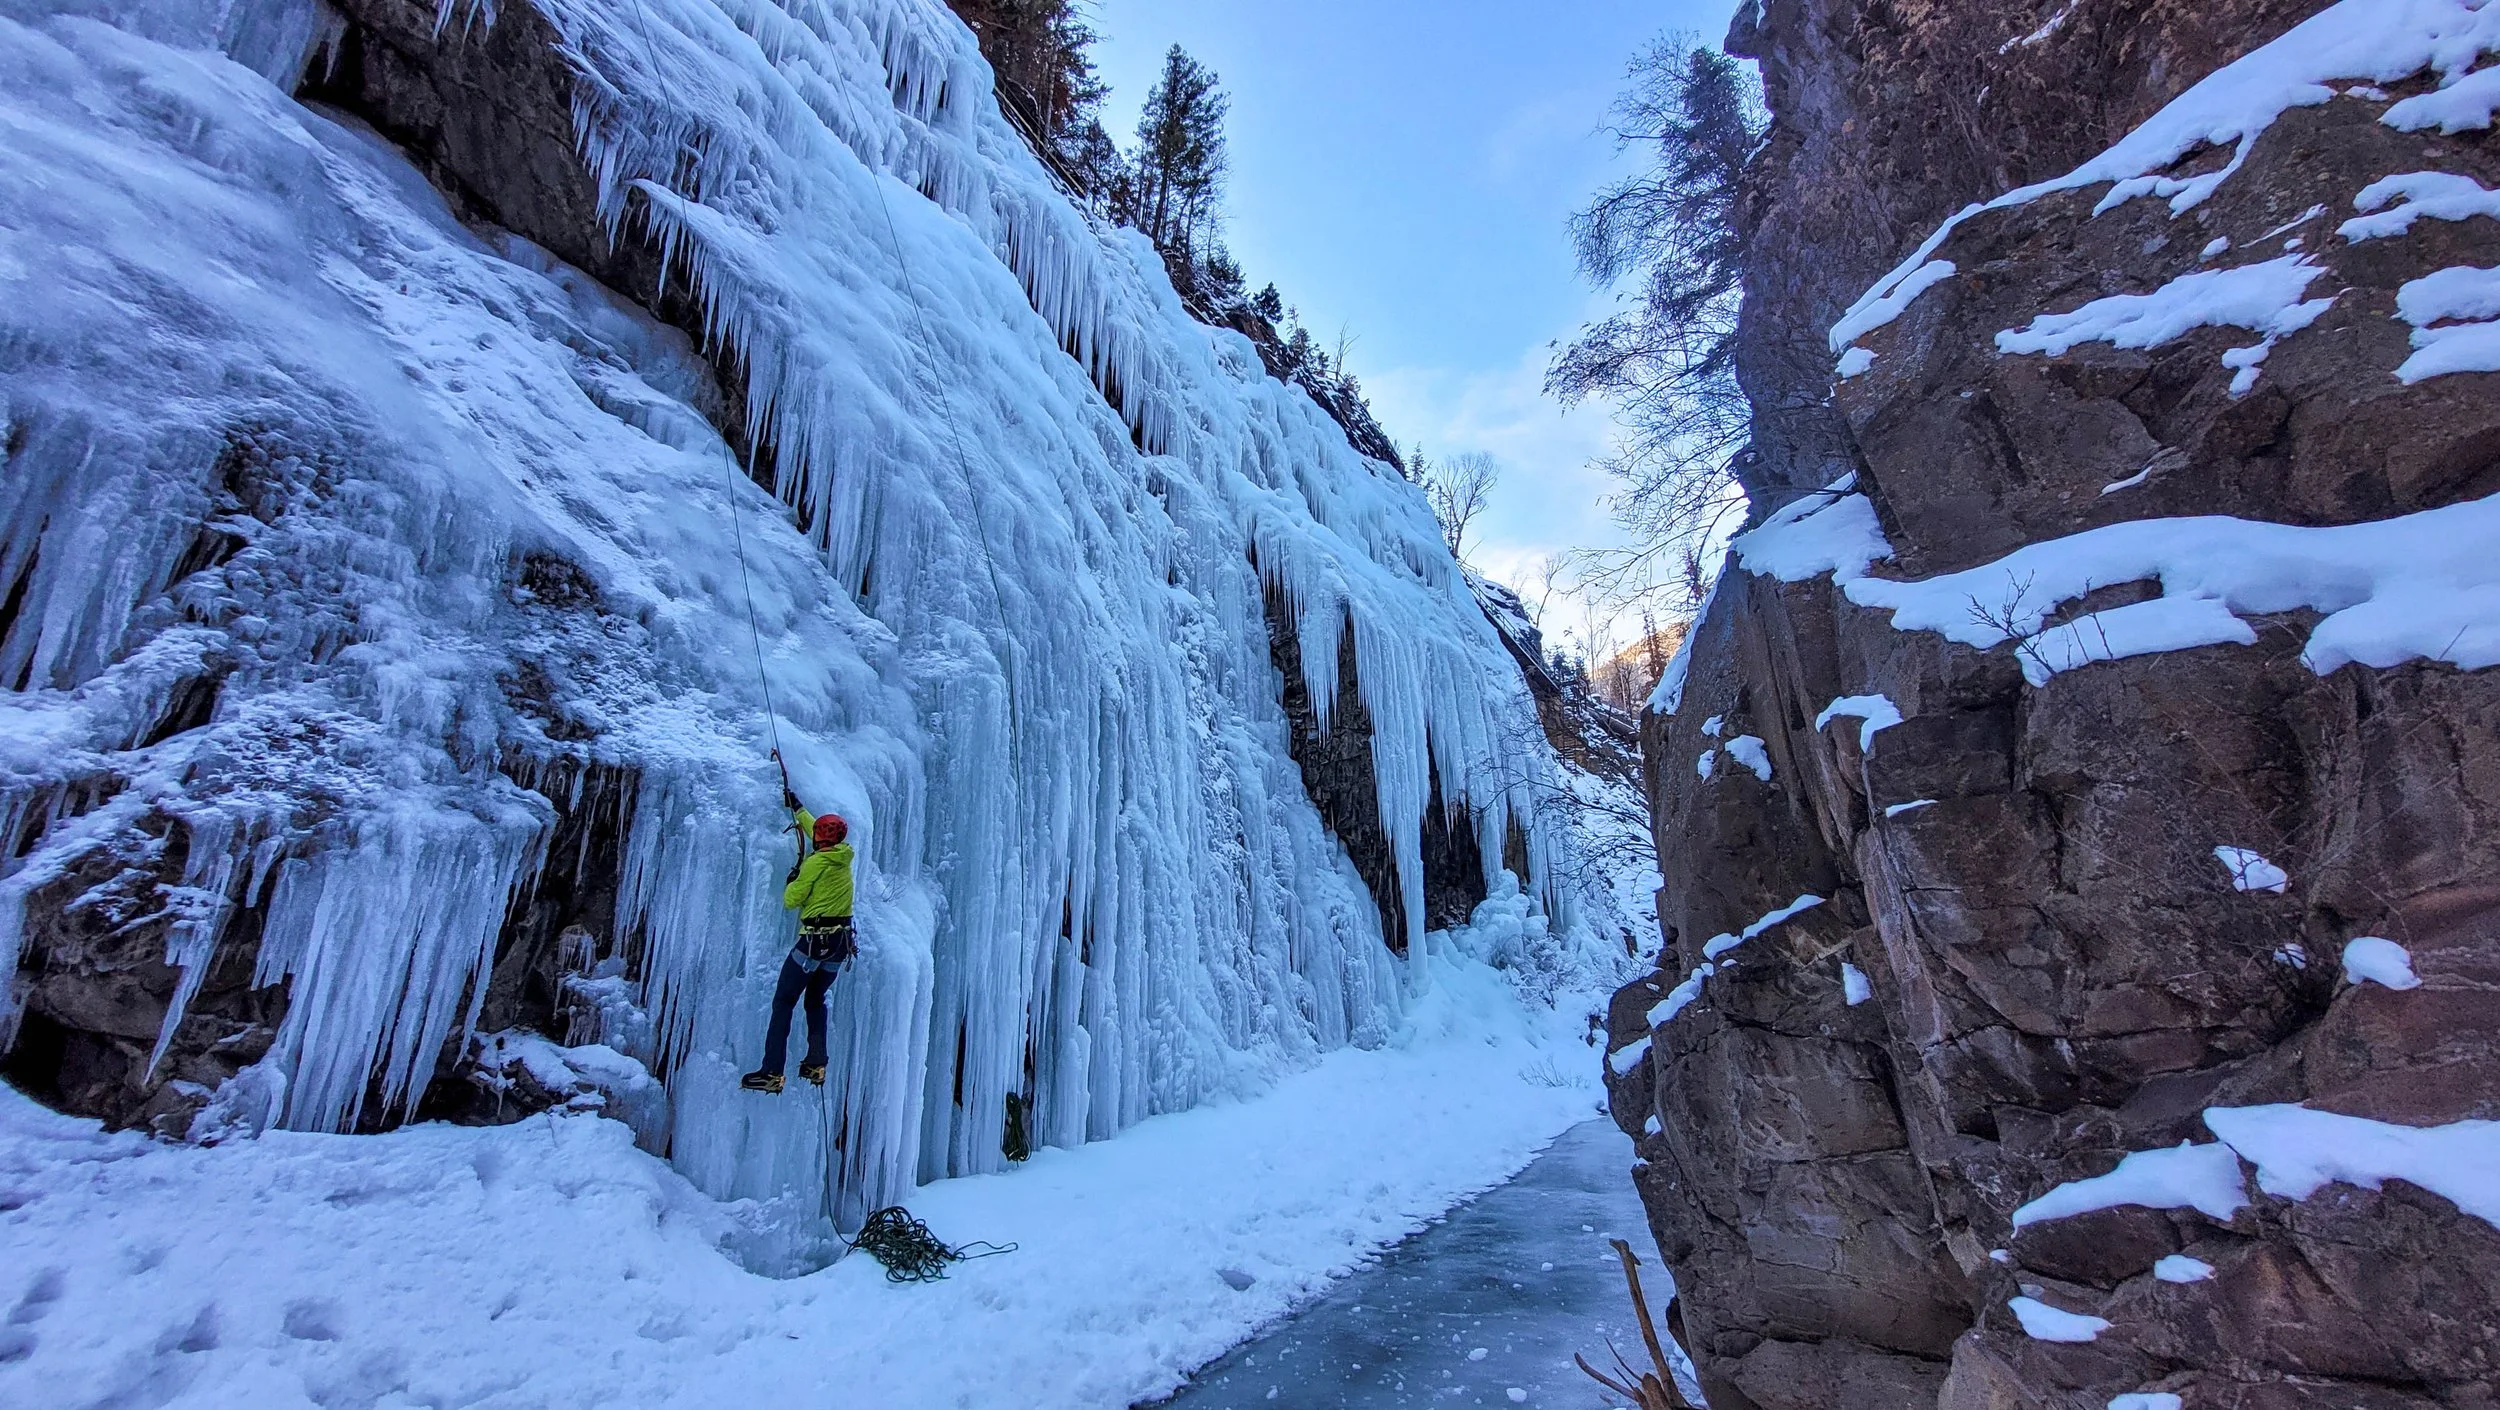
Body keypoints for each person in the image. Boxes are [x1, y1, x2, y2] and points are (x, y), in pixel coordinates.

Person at [741, 780, 857, 1094]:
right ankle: (816, 1063)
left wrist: (792, 879)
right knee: (816, 1001)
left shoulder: (816, 863)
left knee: (783, 1002)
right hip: (839, 946)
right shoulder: (843, 856)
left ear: (820, 839)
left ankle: (772, 1071)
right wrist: (799, 808)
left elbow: (792, 900)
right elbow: (817, 832)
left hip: (813, 944)